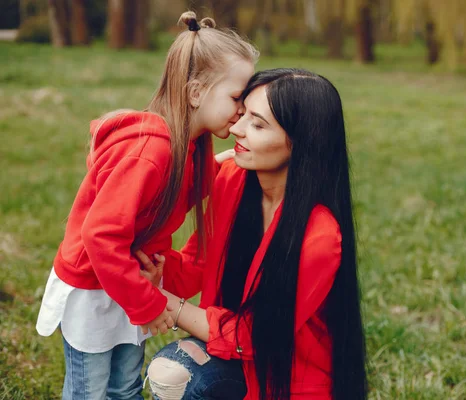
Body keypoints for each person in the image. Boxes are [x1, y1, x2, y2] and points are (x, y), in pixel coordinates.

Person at [35, 12, 258, 400]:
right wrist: (150, 305)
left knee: (124, 386)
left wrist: (225, 166)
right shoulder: (150, 152)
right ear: (195, 93)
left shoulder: (192, 146)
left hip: (128, 278)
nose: (242, 110)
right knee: (90, 391)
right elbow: (100, 236)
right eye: (237, 98)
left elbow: (178, 192)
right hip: (95, 284)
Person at [141, 68, 368, 400]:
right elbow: (197, 264)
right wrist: (157, 268)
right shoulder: (232, 180)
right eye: (243, 113)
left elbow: (253, 337)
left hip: (289, 379)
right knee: (171, 372)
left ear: (302, 143)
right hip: (234, 356)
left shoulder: (318, 237)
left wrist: (170, 306)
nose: (236, 128)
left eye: (258, 125)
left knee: (177, 373)